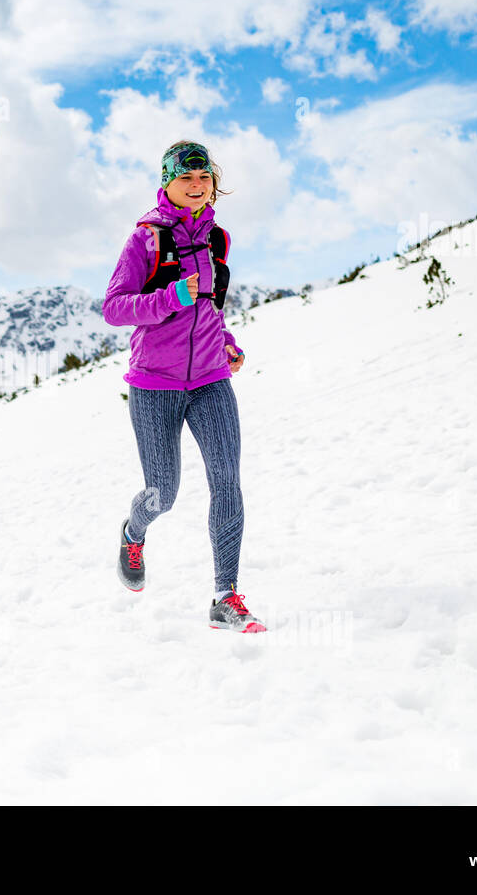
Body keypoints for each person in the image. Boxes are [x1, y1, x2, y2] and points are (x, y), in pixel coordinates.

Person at [101, 140, 266, 633]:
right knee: (163, 492)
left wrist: (228, 344)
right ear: (168, 182)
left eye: (204, 178)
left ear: (214, 183)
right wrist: (167, 297)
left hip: (212, 379)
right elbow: (113, 308)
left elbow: (210, 307)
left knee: (227, 480)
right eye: (186, 178)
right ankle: (134, 532)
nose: (196, 186)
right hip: (155, 384)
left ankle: (225, 596)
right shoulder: (146, 241)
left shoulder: (218, 240)